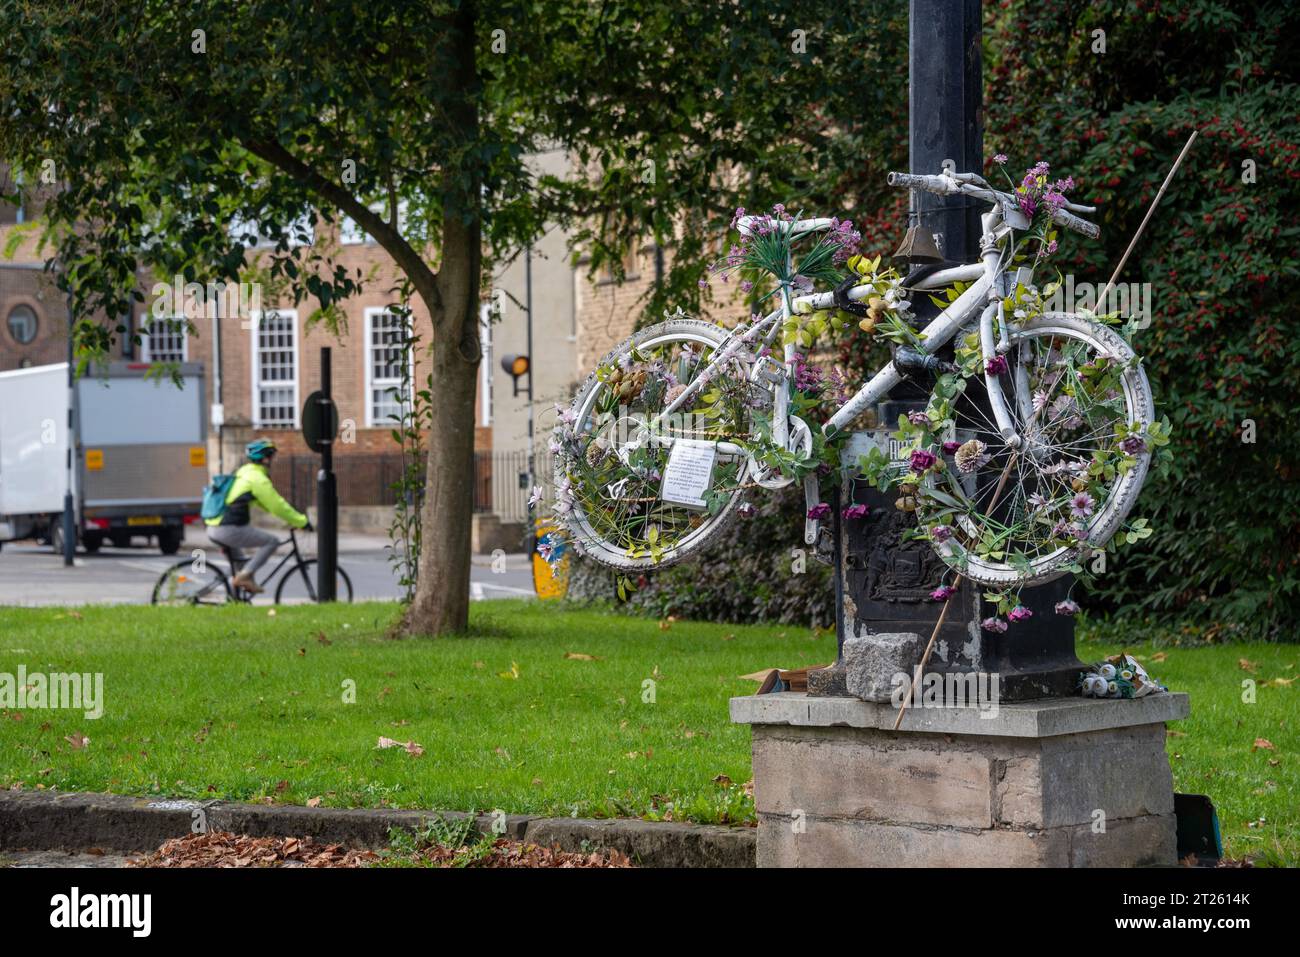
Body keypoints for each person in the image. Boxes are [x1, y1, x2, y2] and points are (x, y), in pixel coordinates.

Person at [206, 439, 311, 593]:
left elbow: (266, 505)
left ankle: (235, 600)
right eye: (271, 457)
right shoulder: (258, 479)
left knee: (239, 567)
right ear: (265, 458)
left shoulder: (244, 473)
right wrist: (302, 522)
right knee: (272, 542)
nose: (272, 461)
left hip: (215, 527)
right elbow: (277, 505)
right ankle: (245, 576)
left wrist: (286, 520)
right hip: (227, 528)